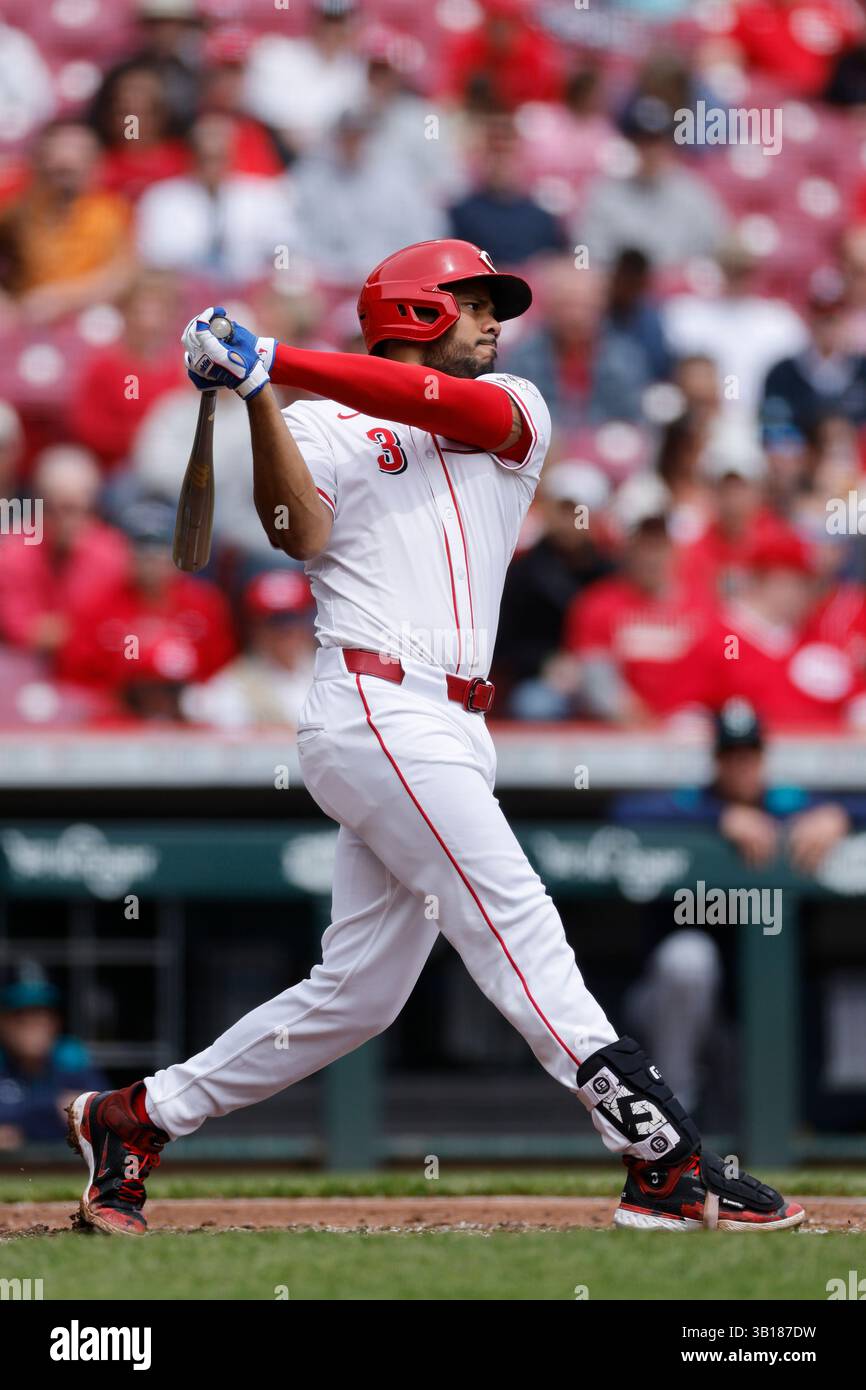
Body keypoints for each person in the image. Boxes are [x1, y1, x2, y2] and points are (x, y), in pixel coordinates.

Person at [66, 239, 804, 1236]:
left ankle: (137, 1117)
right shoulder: (316, 422)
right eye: (470, 303)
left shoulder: (516, 408)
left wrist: (271, 356)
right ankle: (660, 1156)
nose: (493, 320)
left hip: (455, 719)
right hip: (372, 702)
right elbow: (294, 532)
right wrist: (256, 398)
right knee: (517, 923)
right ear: (415, 313)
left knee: (357, 994)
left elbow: (436, 407)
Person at [0, 447, 129, 660]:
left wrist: (63, 632)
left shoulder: (113, 554)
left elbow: (113, 628)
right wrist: (79, 632)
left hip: (89, 667)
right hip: (25, 664)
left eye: (75, 509)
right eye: (55, 509)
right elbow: (17, 629)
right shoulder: (12, 551)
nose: (66, 521)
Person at [0, 121, 132, 324]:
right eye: (57, 171)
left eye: (72, 170)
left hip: (87, 317)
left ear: (94, 167)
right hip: (23, 318)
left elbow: (123, 274)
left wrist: (62, 299)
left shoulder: (110, 213)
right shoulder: (14, 208)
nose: (63, 182)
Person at [183, 570, 317, 728]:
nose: (286, 632)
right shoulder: (234, 683)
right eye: (275, 623)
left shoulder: (327, 669)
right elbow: (195, 705)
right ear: (256, 628)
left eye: (294, 620)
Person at [0, 967, 107, 1150]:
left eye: (41, 1013)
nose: (33, 1024)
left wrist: (21, 1123)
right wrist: (54, 1108)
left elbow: (106, 1117)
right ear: (3, 1021)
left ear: (56, 1022)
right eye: (21, 1015)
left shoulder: (71, 1057)